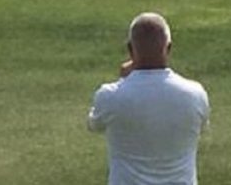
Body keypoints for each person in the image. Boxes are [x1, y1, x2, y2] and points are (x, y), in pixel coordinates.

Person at [87, 12, 210, 185]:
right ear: (168, 48)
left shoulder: (110, 96)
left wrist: (123, 80)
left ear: (130, 49)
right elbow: (201, 127)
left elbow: (94, 124)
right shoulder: (195, 94)